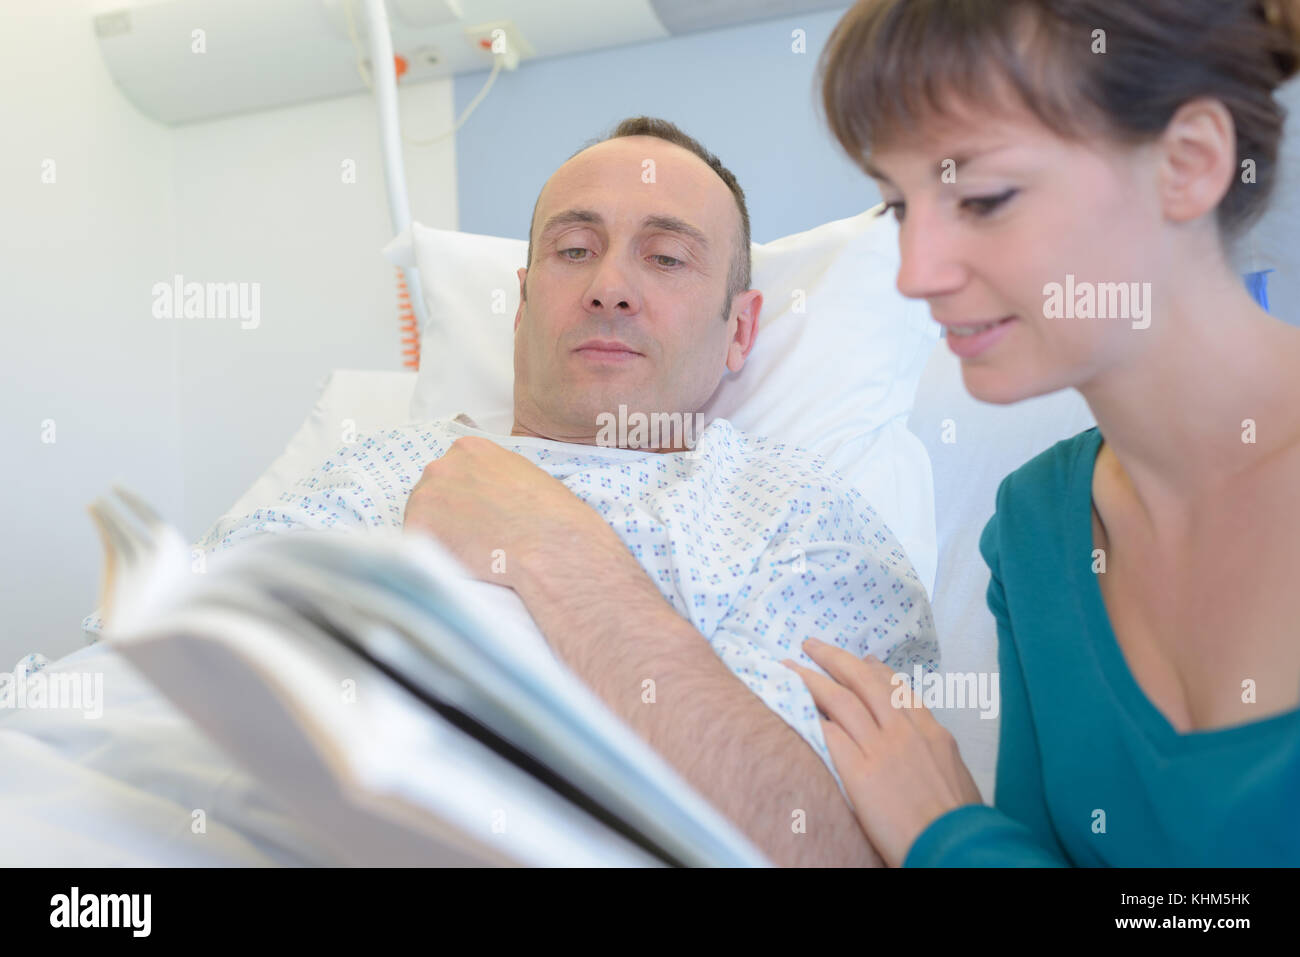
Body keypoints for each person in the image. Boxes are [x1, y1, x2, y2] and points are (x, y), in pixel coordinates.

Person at [81, 116, 937, 868]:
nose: (609, 284)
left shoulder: (802, 520)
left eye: (667, 255)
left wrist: (556, 547)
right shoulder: (377, 466)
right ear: (523, 303)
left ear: (741, 328)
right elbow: (150, 662)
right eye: (573, 250)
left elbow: (818, 846)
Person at [785, 0, 1300, 866]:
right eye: (897, 208)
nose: (918, 273)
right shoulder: (1035, 530)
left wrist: (949, 837)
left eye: (982, 198)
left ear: (1189, 163)